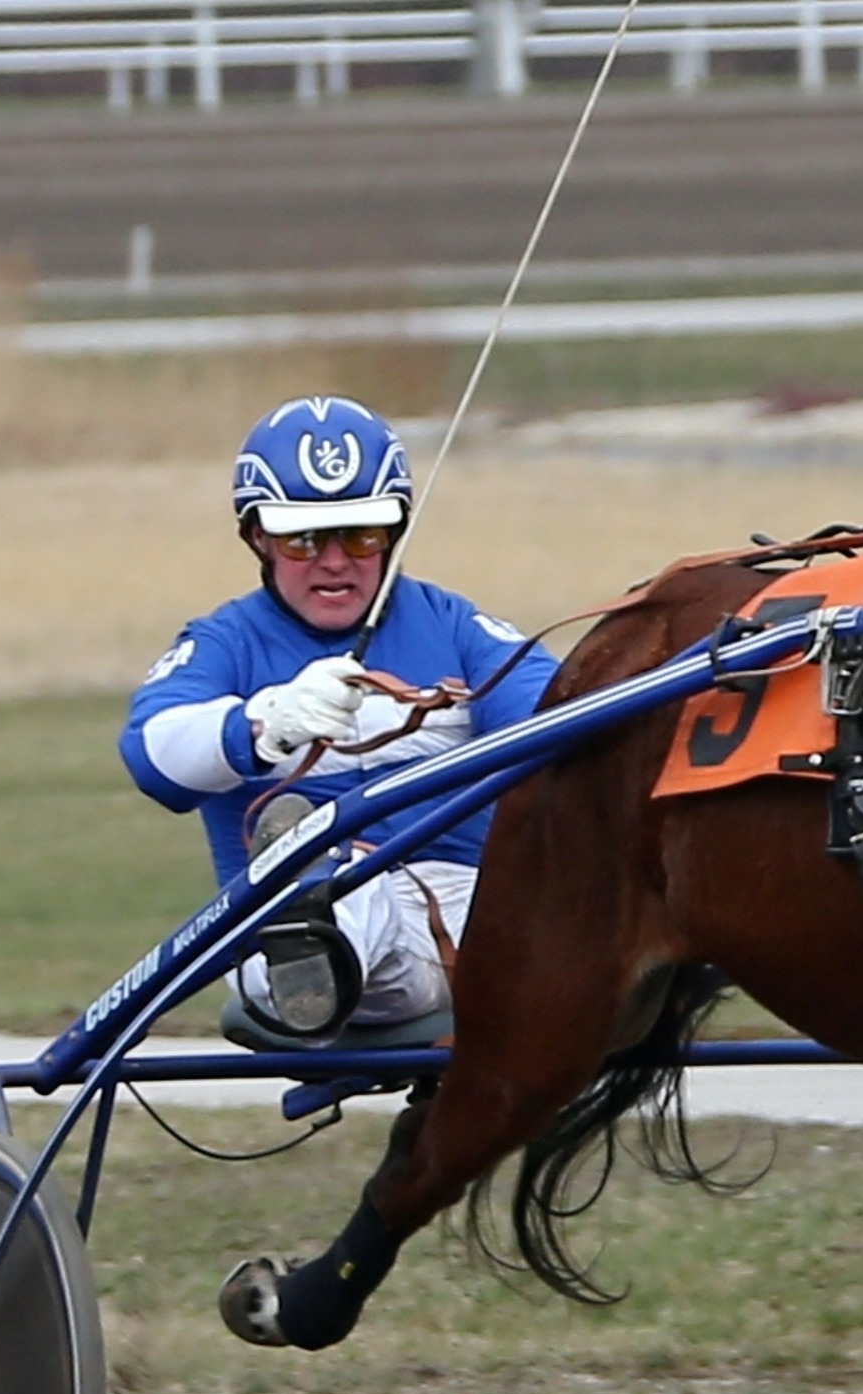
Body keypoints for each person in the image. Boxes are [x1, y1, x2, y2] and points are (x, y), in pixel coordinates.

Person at [121, 393, 559, 1045]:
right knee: (339, 891)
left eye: (361, 534)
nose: (334, 561)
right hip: (290, 928)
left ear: (393, 532)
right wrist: (263, 725)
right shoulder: (223, 643)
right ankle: (309, 935)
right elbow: (153, 757)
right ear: (258, 537)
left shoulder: (457, 627)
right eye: (303, 539)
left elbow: (563, 712)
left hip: (473, 913)